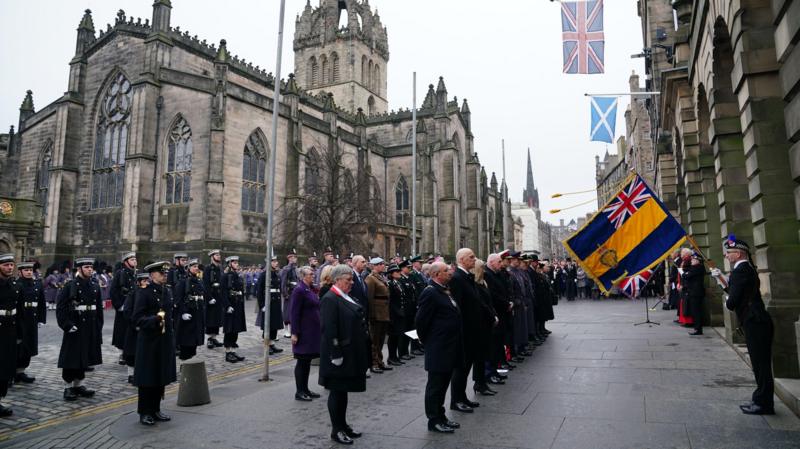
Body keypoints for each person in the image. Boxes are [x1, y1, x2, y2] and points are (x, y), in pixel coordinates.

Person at [712, 235, 775, 415]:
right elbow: (738, 292)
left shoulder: (741, 271)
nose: (726, 256)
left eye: (729, 252)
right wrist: (722, 281)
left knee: (760, 365)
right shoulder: (746, 269)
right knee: (760, 364)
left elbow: (733, 301)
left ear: (738, 253)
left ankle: (763, 403)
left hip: (755, 322)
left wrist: (727, 300)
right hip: (756, 321)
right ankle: (762, 400)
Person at [319, 264, 369, 445]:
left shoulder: (345, 296)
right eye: (348, 280)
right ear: (337, 279)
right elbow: (329, 330)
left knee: (343, 392)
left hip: (350, 352)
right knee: (336, 392)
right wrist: (335, 353)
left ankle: (344, 425)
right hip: (338, 355)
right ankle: (336, 429)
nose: (351, 283)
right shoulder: (330, 298)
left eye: (352, 280)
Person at [415, 261, 464, 434]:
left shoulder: (444, 290)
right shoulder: (430, 292)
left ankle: (441, 416)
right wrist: (427, 340)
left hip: (449, 345)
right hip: (438, 346)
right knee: (435, 385)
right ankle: (433, 419)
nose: (450, 272)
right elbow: (421, 321)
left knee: (444, 383)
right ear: (436, 275)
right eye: (446, 270)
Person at [133, 261, 177, 426]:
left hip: (164, 341)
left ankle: (156, 409)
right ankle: (144, 411)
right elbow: (137, 318)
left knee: (160, 376)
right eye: (161, 273)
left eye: (165, 273)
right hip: (149, 341)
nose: (164, 275)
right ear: (152, 275)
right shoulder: (145, 293)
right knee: (147, 378)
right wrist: (155, 319)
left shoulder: (167, 291)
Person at [56, 257, 103, 401]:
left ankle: (79, 385)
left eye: (91, 267)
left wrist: (98, 326)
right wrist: (67, 325)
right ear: (79, 269)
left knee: (85, 356)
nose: (90, 269)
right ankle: (68, 386)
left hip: (90, 324)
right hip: (75, 324)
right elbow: (61, 307)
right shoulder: (70, 285)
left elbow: (99, 308)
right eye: (87, 267)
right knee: (72, 357)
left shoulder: (94, 285)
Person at [448, 248, 483, 413]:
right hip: (464, 331)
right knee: (460, 369)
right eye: (471, 257)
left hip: (473, 330)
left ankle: (462, 397)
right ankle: (456, 400)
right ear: (461, 259)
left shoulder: (466, 277)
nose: (474, 259)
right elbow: (457, 307)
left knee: (466, 366)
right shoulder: (457, 278)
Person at [290, 266, 321, 401]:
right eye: (310, 274)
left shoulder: (309, 288)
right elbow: (294, 313)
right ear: (303, 276)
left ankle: (306, 389)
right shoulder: (299, 290)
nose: (313, 276)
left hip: (311, 332)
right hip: (303, 332)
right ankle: (299, 391)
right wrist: (294, 333)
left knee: (307, 361)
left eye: (313, 274)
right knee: (302, 362)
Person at [14, 261, 46, 384]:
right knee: (18, 347)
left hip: (32, 319)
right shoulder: (15, 284)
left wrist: (41, 319)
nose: (28, 272)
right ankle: (12, 372)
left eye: (30, 270)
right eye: (26, 270)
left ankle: (21, 371)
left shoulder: (37, 284)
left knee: (29, 346)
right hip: (20, 319)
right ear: (20, 272)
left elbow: (41, 304)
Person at [0, 253, 19, 416]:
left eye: (11, 265)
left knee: (5, 366)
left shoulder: (13, 283)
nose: (9, 268)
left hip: (9, 329)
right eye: (6, 265)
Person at [175, 259, 206, 360]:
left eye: (197, 266)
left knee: (194, 342)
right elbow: (178, 299)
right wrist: (183, 312)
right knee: (187, 342)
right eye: (194, 266)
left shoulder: (199, 280)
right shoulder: (183, 281)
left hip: (198, 313)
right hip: (188, 314)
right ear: (188, 268)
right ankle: (185, 365)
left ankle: (191, 365)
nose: (197, 268)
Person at [365, 257, 391, 373]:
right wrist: (371, 314)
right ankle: (374, 363)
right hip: (376, 313)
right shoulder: (370, 279)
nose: (383, 266)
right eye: (381, 264)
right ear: (375, 266)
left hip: (384, 312)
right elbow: (369, 298)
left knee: (380, 339)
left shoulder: (380, 277)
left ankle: (380, 361)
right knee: (374, 340)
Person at [110, 252, 137, 365]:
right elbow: (114, 291)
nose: (135, 261)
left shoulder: (136, 274)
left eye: (135, 259)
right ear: (126, 262)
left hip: (134, 307)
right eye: (132, 259)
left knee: (131, 330)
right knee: (122, 331)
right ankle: (122, 353)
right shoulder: (120, 274)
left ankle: (131, 352)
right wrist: (119, 305)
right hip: (123, 306)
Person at [124, 273, 150, 383]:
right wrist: (136, 325)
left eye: (147, 281)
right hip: (134, 328)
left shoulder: (150, 293)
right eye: (143, 281)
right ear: (138, 282)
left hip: (147, 326)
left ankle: (143, 372)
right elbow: (128, 311)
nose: (146, 283)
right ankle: (131, 374)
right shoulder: (133, 293)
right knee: (132, 353)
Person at [255, 257, 284, 355]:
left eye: (276, 261)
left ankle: (272, 344)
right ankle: (266, 345)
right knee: (268, 325)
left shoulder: (276, 274)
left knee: (274, 324)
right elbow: (259, 291)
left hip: (276, 303)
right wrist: (262, 305)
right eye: (274, 261)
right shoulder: (264, 275)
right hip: (268, 303)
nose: (276, 263)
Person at [221, 256, 246, 363]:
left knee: (235, 329)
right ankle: (227, 352)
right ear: (229, 264)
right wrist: (227, 306)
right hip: (230, 305)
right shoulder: (225, 276)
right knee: (229, 330)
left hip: (237, 305)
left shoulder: (238, 276)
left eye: (237, 263)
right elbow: (223, 293)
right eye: (234, 263)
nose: (237, 264)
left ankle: (232, 350)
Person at [386, 264, 406, 367]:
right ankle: (391, 357)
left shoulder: (397, 283)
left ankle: (395, 356)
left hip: (399, 314)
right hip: (393, 314)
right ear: (392, 274)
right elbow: (390, 301)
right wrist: (396, 311)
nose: (399, 273)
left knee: (398, 336)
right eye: (397, 272)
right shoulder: (390, 284)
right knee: (393, 336)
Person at [681, 252, 706, 336]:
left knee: (696, 311)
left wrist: (685, 274)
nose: (692, 261)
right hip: (694, 292)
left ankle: (698, 329)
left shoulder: (698, 268)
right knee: (695, 311)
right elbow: (686, 274)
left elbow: (686, 276)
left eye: (694, 259)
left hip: (696, 293)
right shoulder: (694, 268)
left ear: (698, 261)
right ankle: (697, 328)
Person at [203, 249, 224, 349]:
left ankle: (214, 337)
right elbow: (206, 285)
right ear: (212, 257)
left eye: (219, 255)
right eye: (216, 255)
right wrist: (209, 298)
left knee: (217, 318)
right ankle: (209, 339)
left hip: (219, 296)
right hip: (211, 295)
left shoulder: (220, 268)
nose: (219, 256)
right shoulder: (208, 269)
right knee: (211, 318)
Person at [280, 249, 300, 339]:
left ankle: (293, 328)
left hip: (295, 291)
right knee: (287, 311)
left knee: (294, 310)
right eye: (293, 257)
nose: (295, 259)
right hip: (289, 291)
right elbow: (283, 282)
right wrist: (285, 293)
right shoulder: (286, 269)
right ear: (289, 258)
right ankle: (286, 329)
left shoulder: (296, 269)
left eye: (295, 257)